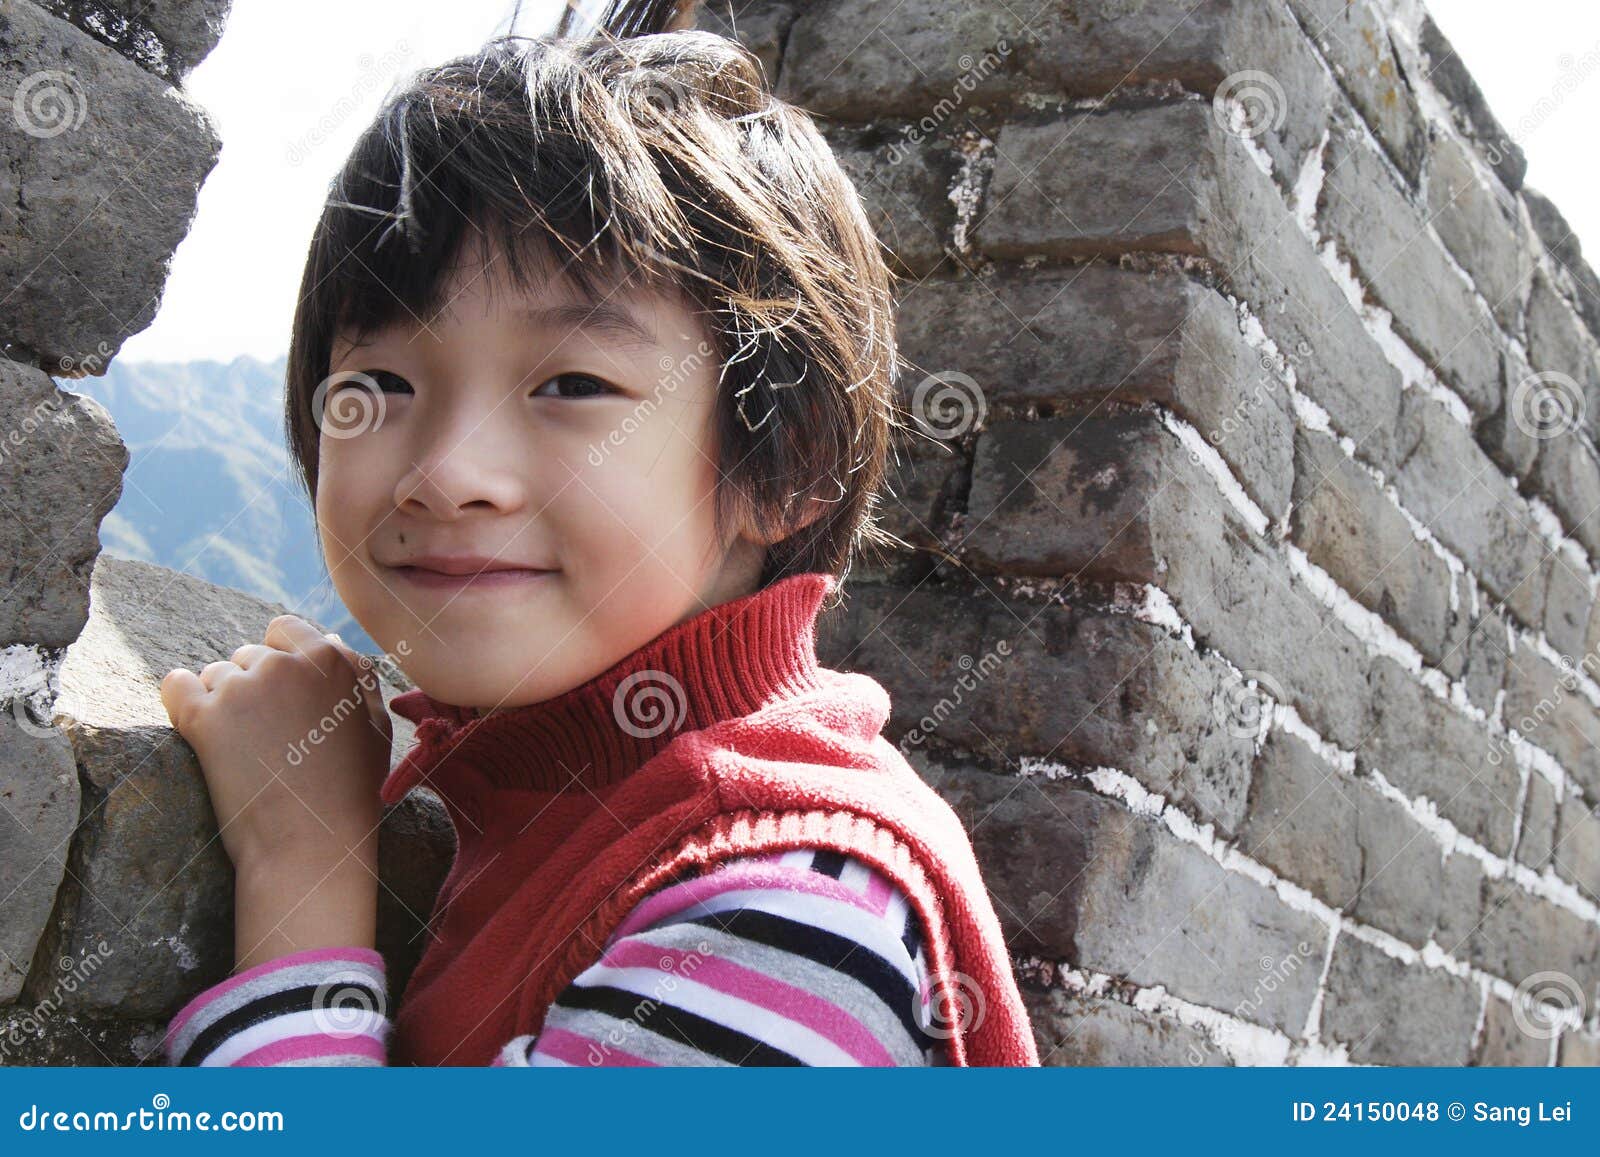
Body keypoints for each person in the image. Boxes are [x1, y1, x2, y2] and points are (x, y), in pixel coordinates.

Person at [157, 1, 1038, 1067]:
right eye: (378, 382)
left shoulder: (787, 908)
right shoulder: (540, 791)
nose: (445, 474)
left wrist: (301, 865)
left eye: (571, 383)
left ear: (788, 461)